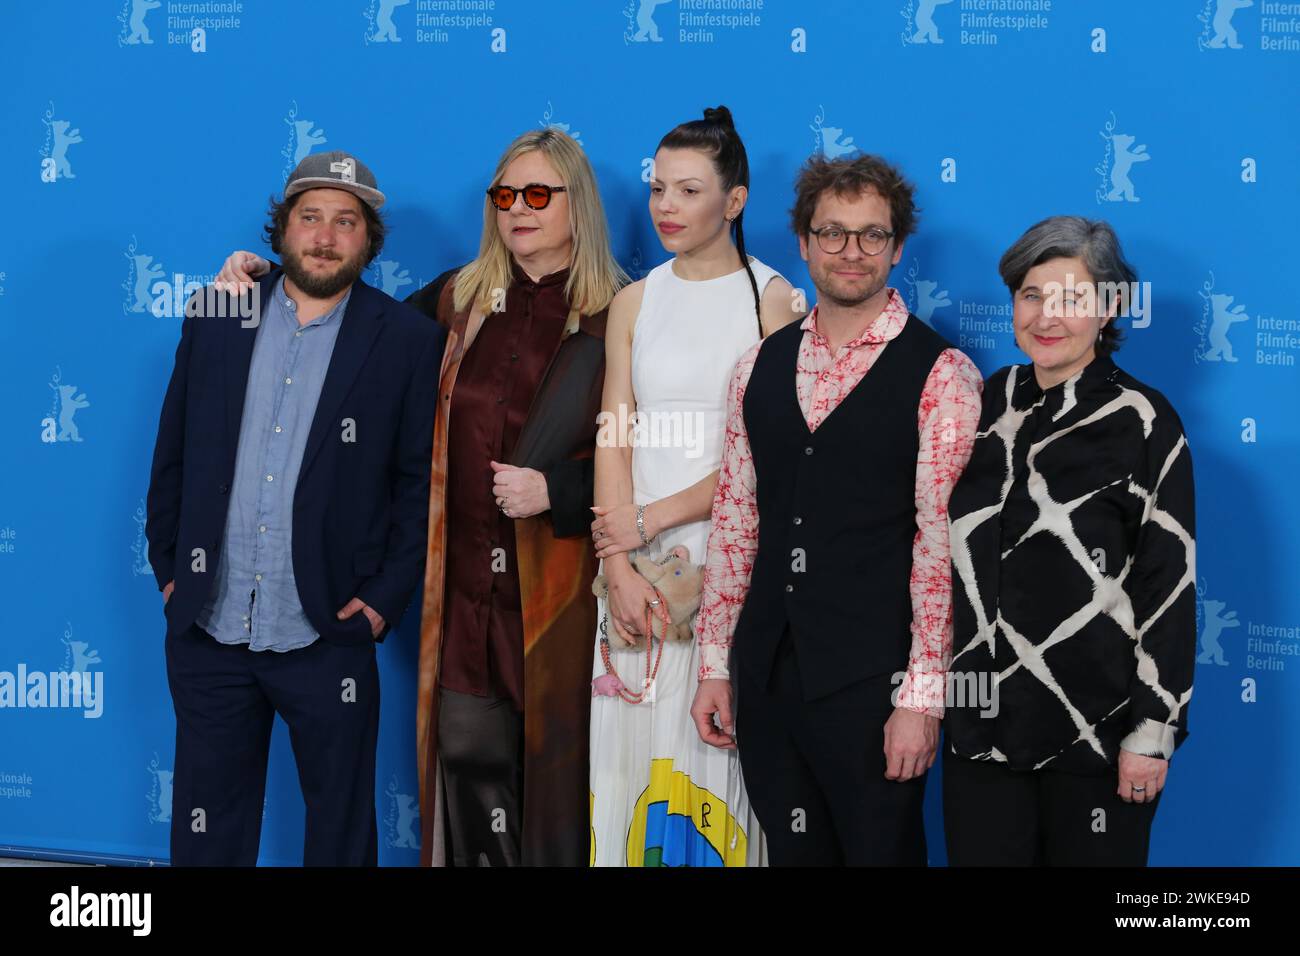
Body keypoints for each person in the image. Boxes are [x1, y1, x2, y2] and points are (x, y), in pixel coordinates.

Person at [213, 129, 624, 866]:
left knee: (567, 783)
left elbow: (662, 455)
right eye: (505, 195)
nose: (518, 209)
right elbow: (344, 321)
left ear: (579, 204)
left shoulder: (621, 312)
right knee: (467, 764)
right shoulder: (454, 300)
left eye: (538, 194)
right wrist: (263, 283)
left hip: (568, 599)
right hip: (463, 597)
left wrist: (559, 490)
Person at [147, 150, 446, 865]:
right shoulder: (219, 311)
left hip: (328, 631)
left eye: (346, 222)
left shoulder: (407, 341)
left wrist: (381, 602)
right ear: (282, 229)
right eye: (310, 217)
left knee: (340, 829)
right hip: (210, 625)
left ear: (368, 241)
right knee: (207, 831)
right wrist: (171, 571)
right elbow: (174, 451)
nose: (325, 236)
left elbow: (417, 485)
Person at [690, 153, 984, 865]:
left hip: (873, 685)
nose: (851, 251)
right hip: (766, 674)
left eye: (871, 234)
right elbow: (736, 522)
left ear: (897, 247)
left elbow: (940, 548)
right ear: (803, 242)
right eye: (832, 233)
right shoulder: (757, 366)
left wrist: (921, 698)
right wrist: (715, 665)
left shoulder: (943, 374)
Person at [943, 216, 1196, 866]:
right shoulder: (984, 402)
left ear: (1108, 307)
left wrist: (1152, 733)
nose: (1046, 317)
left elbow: (1168, 586)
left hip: (1095, 738)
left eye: (1071, 298)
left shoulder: (1145, 421)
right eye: (1031, 295)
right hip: (979, 732)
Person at [587, 106, 796, 866]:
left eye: (688, 190)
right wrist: (617, 562)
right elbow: (615, 428)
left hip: (729, 567)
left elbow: (770, 450)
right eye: (658, 189)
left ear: (734, 201)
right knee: (628, 769)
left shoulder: (773, 300)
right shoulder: (635, 300)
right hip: (632, 573)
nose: (666, 207)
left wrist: (651, 521)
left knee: (713, 767)